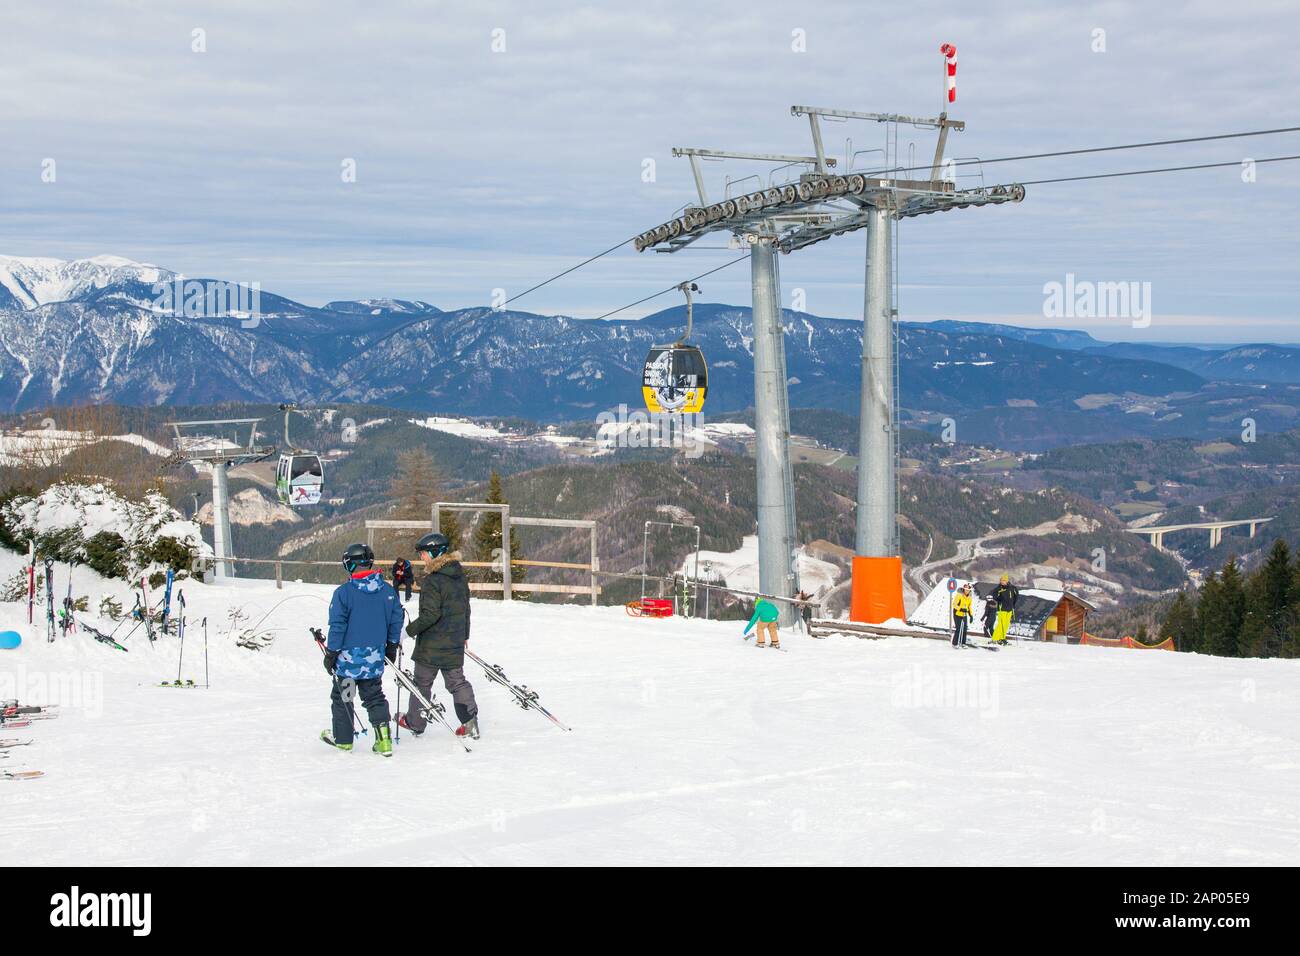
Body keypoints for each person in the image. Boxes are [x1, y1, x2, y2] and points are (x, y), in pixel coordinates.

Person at [321, 543, 404, 756]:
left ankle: (344, 740)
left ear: (350, 564)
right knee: (374, 696)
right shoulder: (387, 591)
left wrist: (331, 653)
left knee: (344, 697)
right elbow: (396, 620)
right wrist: (391, 646)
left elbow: (338, 626)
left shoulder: (344, 593)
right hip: (375, 656)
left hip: (348, 661)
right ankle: (383, 740)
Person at [398, 532, 479, 739]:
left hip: (432, 643)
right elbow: (465, 609)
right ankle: (470, 724)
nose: (422, 558)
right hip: (453, 639)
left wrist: (406, 633)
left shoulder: (433, 581)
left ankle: (415, 722)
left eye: (424, 553)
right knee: (457, 682)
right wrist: (464, 634)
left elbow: (430, 615)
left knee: (421, 683)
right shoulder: (459, 576)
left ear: (435, 553)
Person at [990, 574, 1019, 644]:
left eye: (1004, 580)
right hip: (1002, 608)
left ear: (1007, 581)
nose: (1002, 582)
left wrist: (1013, 605)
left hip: (1009, 609)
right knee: (1001, 624)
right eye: (1001, 580)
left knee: (1006, 625)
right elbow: (994, 596)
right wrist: (999, 599)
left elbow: (1016, 596)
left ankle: (1002, 638)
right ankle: (995, 639)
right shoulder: (998, 588)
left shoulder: (1012, 588)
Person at [951, 582, 973, 648]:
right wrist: (960, 609)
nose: (967, 591)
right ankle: (954, 644)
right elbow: (954, 604)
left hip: (964, 614)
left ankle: (963, 643)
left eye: (968, 590)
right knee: (959, 628)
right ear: (963, 589)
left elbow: (969, 607)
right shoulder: (959, 595)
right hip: (957, 613)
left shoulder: (969, 598)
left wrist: (971, 615)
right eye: (966, 589)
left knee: (964, 629)